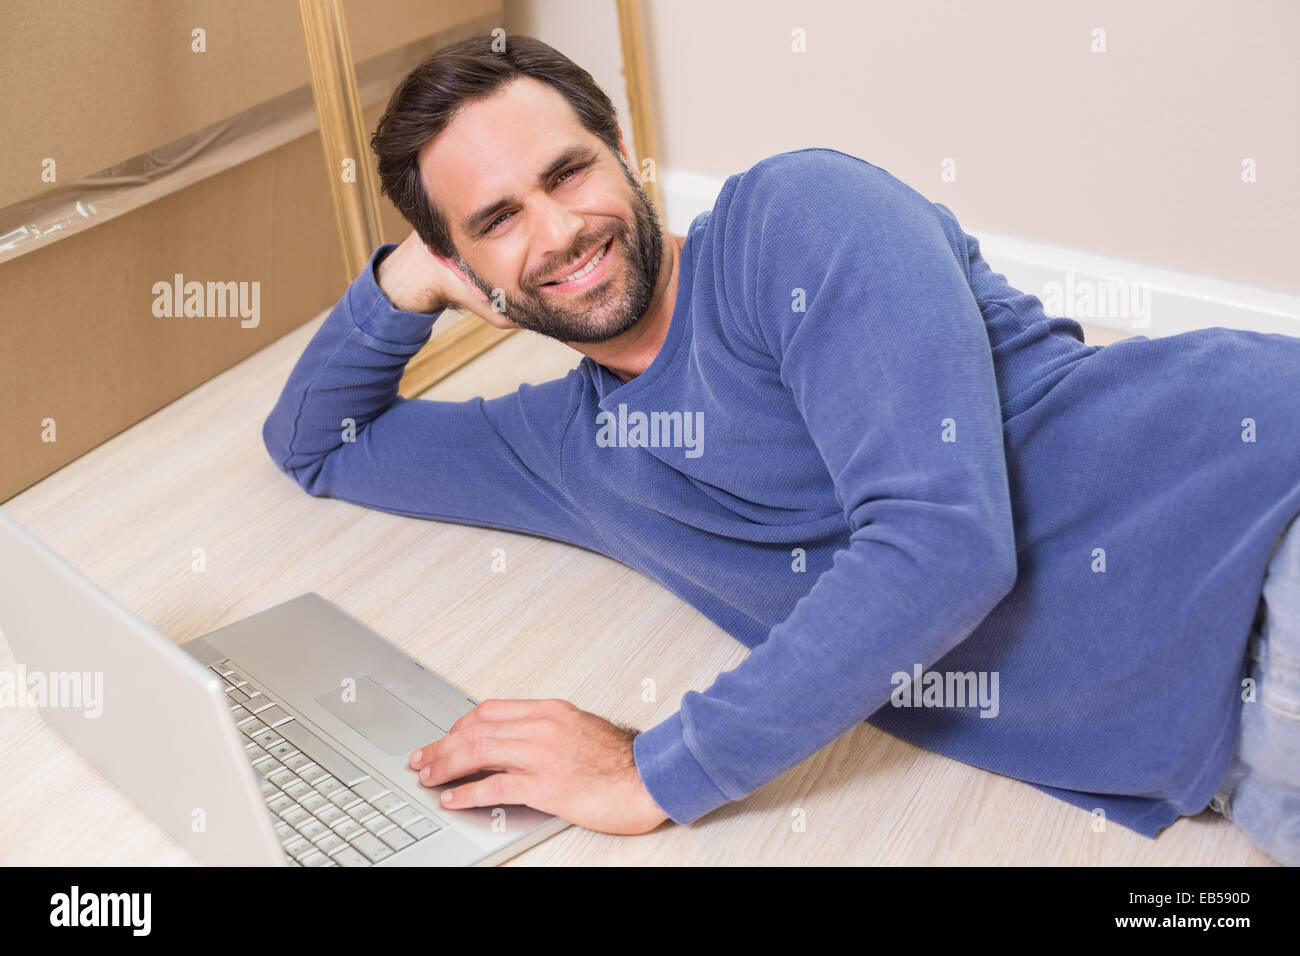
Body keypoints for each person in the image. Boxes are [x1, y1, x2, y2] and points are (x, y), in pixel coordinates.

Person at [262, 33, 1300, 861]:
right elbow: (315, 442)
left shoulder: (791, 219)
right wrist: (405, 280)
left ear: (621, 149)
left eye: (567, 172)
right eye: (496, 219)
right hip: (1229, 747)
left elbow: (940, 545)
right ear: (465, 265)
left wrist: (649, 770)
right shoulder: (564, 449)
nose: (559, 230)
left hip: (1267, 530)